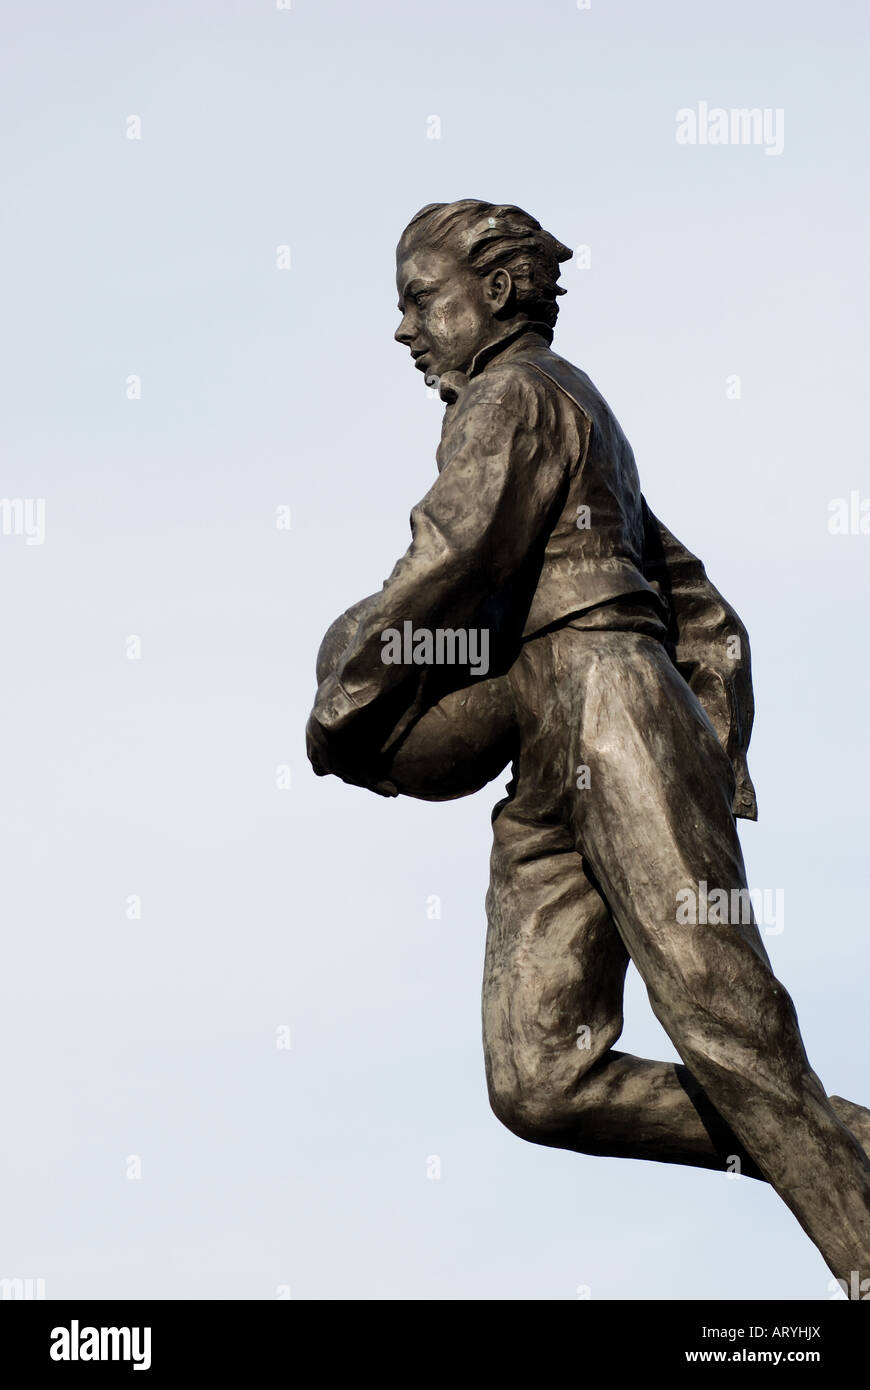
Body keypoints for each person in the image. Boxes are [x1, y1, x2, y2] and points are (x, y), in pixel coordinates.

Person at [306, 199, 870, 1292]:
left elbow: (449, 556)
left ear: (501, 292)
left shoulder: (515, 395)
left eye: (419, 299)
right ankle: (839, 1142)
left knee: (722, 1015)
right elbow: (697, 597)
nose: (404, 331)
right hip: (554, 733)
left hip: (610, 699)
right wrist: (703, 717)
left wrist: (347, 693)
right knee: (538, 1075)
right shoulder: (562, 413)